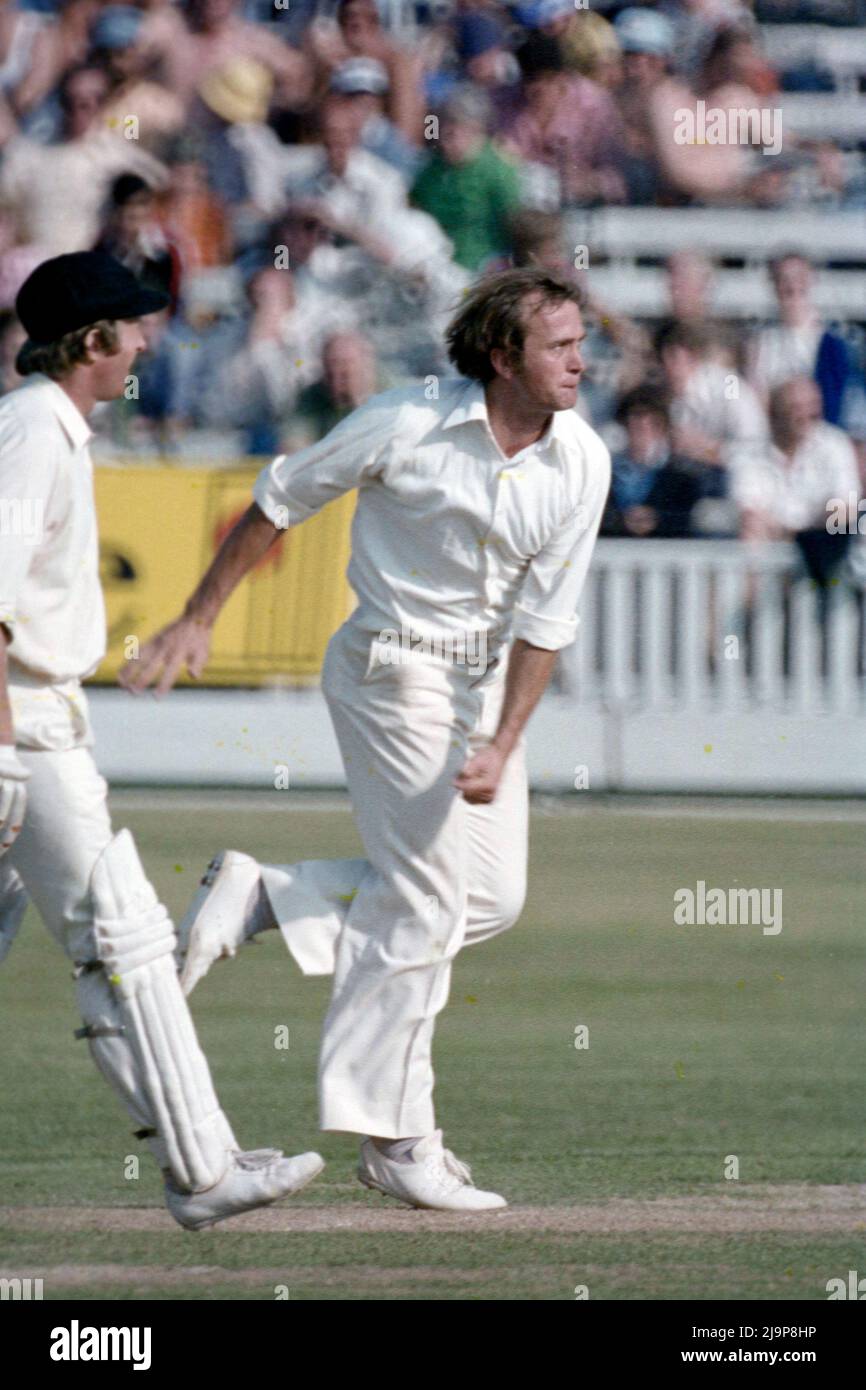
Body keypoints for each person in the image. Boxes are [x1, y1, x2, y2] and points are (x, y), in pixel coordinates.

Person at [120, 267, 611, 1211]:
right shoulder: (408, 420)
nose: (580, 361)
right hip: (390, 666)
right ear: (503, 355)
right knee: (426, 901)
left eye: (582, 341)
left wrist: (504, 742)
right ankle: (397, 1138)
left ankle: (269, 895)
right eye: (560, 345)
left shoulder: (582, 460)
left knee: (491, 898)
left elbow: (549, 622)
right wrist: (197, 616)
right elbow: (278, 498)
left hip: (473, 692)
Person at [0, 251, 323, 1227]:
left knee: (117, 948)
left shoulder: (50, 427)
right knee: (127, 938)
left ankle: (205, 1162)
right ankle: (204, 1168)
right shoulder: (31, 432)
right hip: (23, 728)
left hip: (41, 717)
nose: (148, 342)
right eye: (134, 328)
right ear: (92, 342)